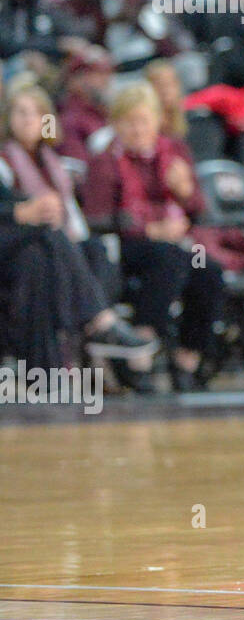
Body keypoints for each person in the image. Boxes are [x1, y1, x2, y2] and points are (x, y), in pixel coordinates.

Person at [0, 81, 154, 377]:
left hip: (41, 246)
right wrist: (22, 212)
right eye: (19, 113)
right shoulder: (5, 159)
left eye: (35, 114)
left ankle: (88, 356)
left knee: (89, 250)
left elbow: (71, 215)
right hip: (18, 243)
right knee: (46, 241)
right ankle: (100, 326)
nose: (27, 120)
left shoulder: (53, 161)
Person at [82, 82, 226, 392]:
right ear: (116, 124)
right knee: (168, 258)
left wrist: (185, 192)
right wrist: (147, 228)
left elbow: (200, 209)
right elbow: (96, 218)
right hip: (124, 247)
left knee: (209, 272)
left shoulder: (174, 153)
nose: (137, 129)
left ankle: (187, 358)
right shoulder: (105, 161)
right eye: (129, 121)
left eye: (143, 120)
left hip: (173, 242)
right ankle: (142, 347)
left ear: (157, 120)